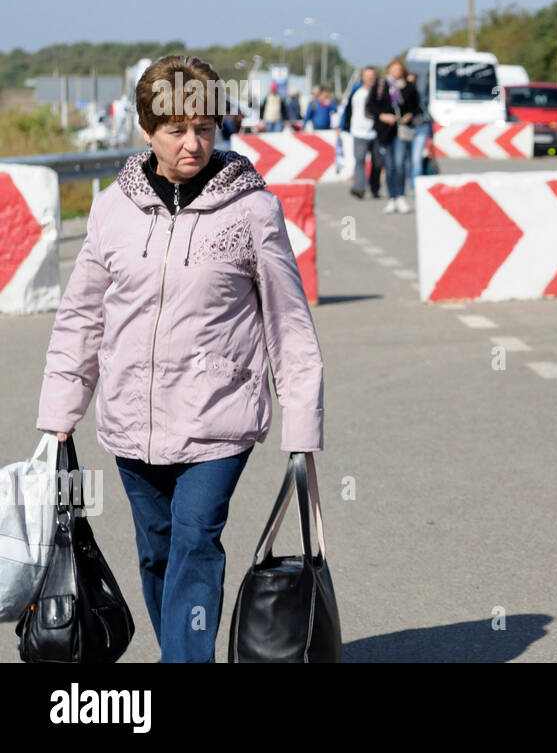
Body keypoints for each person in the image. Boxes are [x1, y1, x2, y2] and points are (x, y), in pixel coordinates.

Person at [36, 54, 325, 663]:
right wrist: (62, 410)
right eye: (175, 129)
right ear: (146, 129)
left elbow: (287, 320)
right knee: (157, 551)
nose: (192, 143)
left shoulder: (252, 210)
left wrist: (300, 425)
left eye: (204, 127)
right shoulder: (113, 208)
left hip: (218, 418)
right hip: (128, 421)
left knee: (196, 540)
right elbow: (83, 315)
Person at [366, 57, 419, 213]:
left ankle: (401, 196)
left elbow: (416, 106)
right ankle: (392, 197)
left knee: (399, 163)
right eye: (393, 70)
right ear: (389, 70)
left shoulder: (408, 86)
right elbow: (370, 107)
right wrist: (382, 116)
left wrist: (408, 115)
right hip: (384, 132)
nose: (396, 73)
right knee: (389, 166)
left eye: (399, 70)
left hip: (400, 131)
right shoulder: (381, 85)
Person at [346, 66, 382, 199]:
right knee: (360, 160)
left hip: (376, 132)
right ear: (363, 78)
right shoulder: (356, 93)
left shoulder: (380, 93)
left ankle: (375, 188)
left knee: (377, 162)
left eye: (372, 76)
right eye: (368, 76)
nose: (370, 79)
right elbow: (348, 110)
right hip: (359, 133)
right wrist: (345, 126)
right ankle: (359, 188)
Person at [405, 71, 434, 186]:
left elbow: (427, 116)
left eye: (413, 81)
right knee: (407, 160)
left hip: (421, 128)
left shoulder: (421, 96)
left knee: (416, 159)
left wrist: (431, 136)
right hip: (406, 131)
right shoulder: (400, 95)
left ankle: (415, 186)